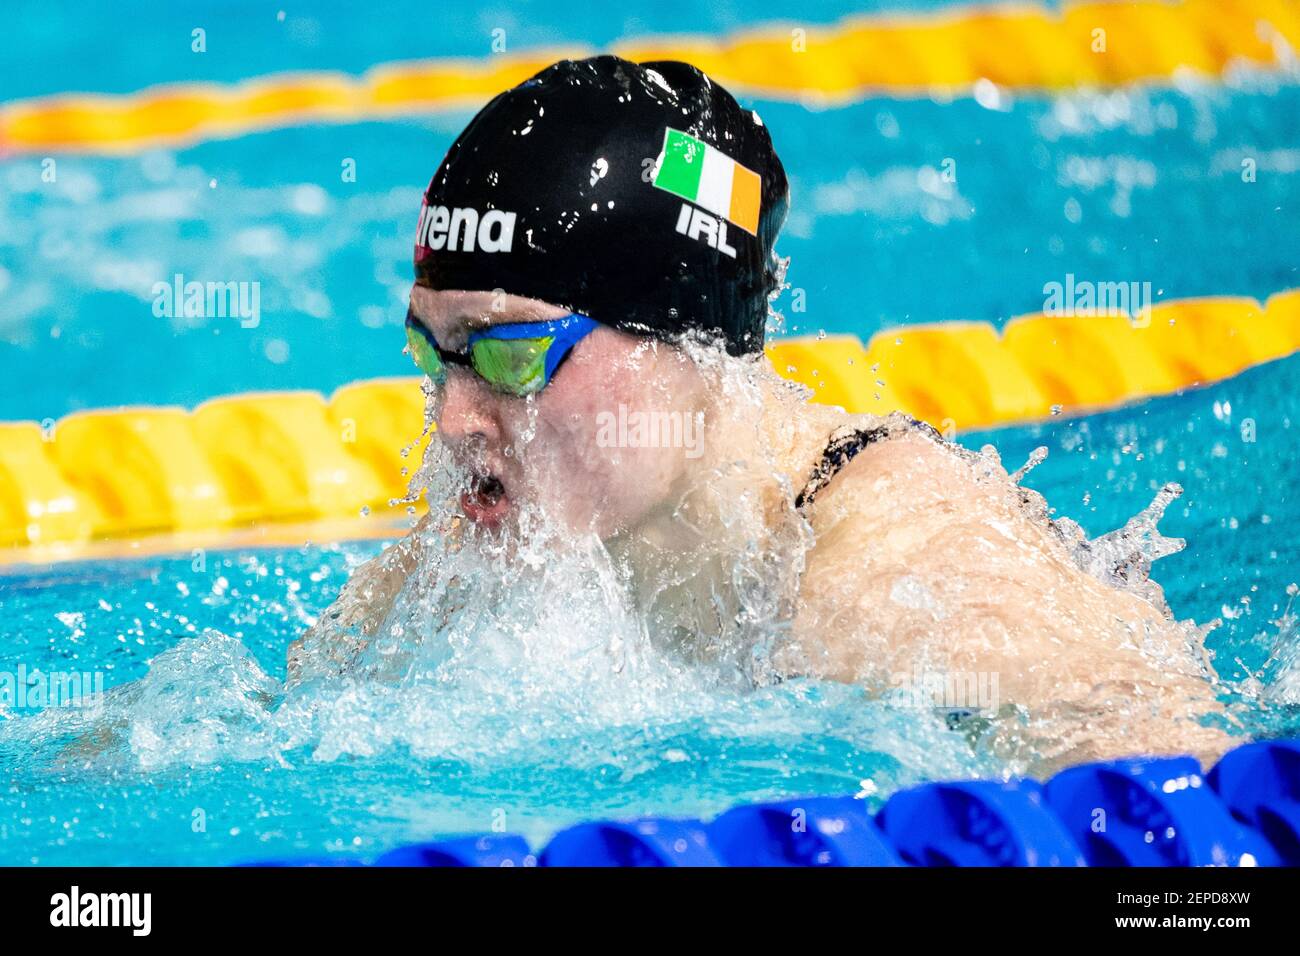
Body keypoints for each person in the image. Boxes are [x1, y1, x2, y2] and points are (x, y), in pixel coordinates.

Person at [287, 55, 1230, 774]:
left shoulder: (898, 585)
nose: (456, 418)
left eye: (511, 354)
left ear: (690, 345)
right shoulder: (465, 571)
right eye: (433, 352)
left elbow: (1177, 818)